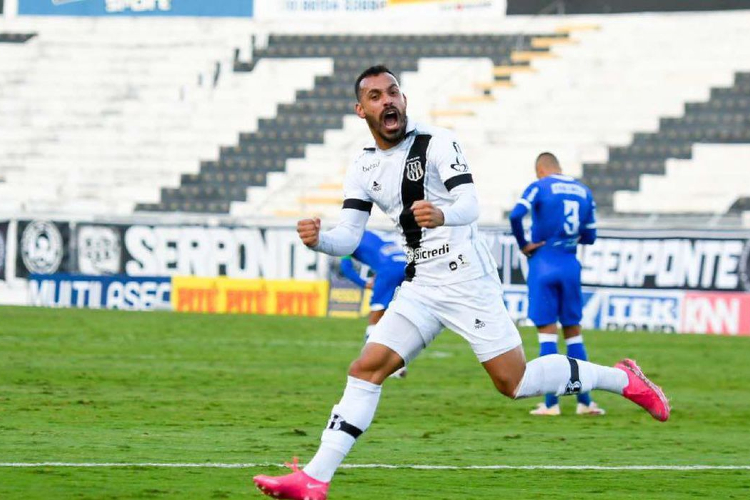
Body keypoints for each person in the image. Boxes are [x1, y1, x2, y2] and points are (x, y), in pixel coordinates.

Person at [253, 66, 670, 500]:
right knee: (366, 369)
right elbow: (349, 238)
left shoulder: (437, 142)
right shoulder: (363, 165)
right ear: (361, 110)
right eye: (375, 96)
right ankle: (315, 479)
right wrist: (320, 241)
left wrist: (443, 213)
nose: (387, 100)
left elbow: (471, 203)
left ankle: (623, 381)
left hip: (465, 277)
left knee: (514, 383)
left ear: (404, 99)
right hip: (420, 286)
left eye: (393, 91)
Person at [509, 152, 604, 416]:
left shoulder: (539, 186)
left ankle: (551, 404)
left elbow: (516, 216)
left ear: (539, 170)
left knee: (547, 336)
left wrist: (524, 244)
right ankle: (585, 402)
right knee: (574, 334)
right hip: (569, 265)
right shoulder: (583, 191)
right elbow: (591, 236)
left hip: (543, 264)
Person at [339, 230, 408, 378]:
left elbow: (346, 268)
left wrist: (364, 283)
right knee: (395, 317)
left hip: (388, 271)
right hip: (406, 267)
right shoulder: (370, 233)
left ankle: (376, 363)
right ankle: (396, 365)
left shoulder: (346, 238)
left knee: (375, 318)